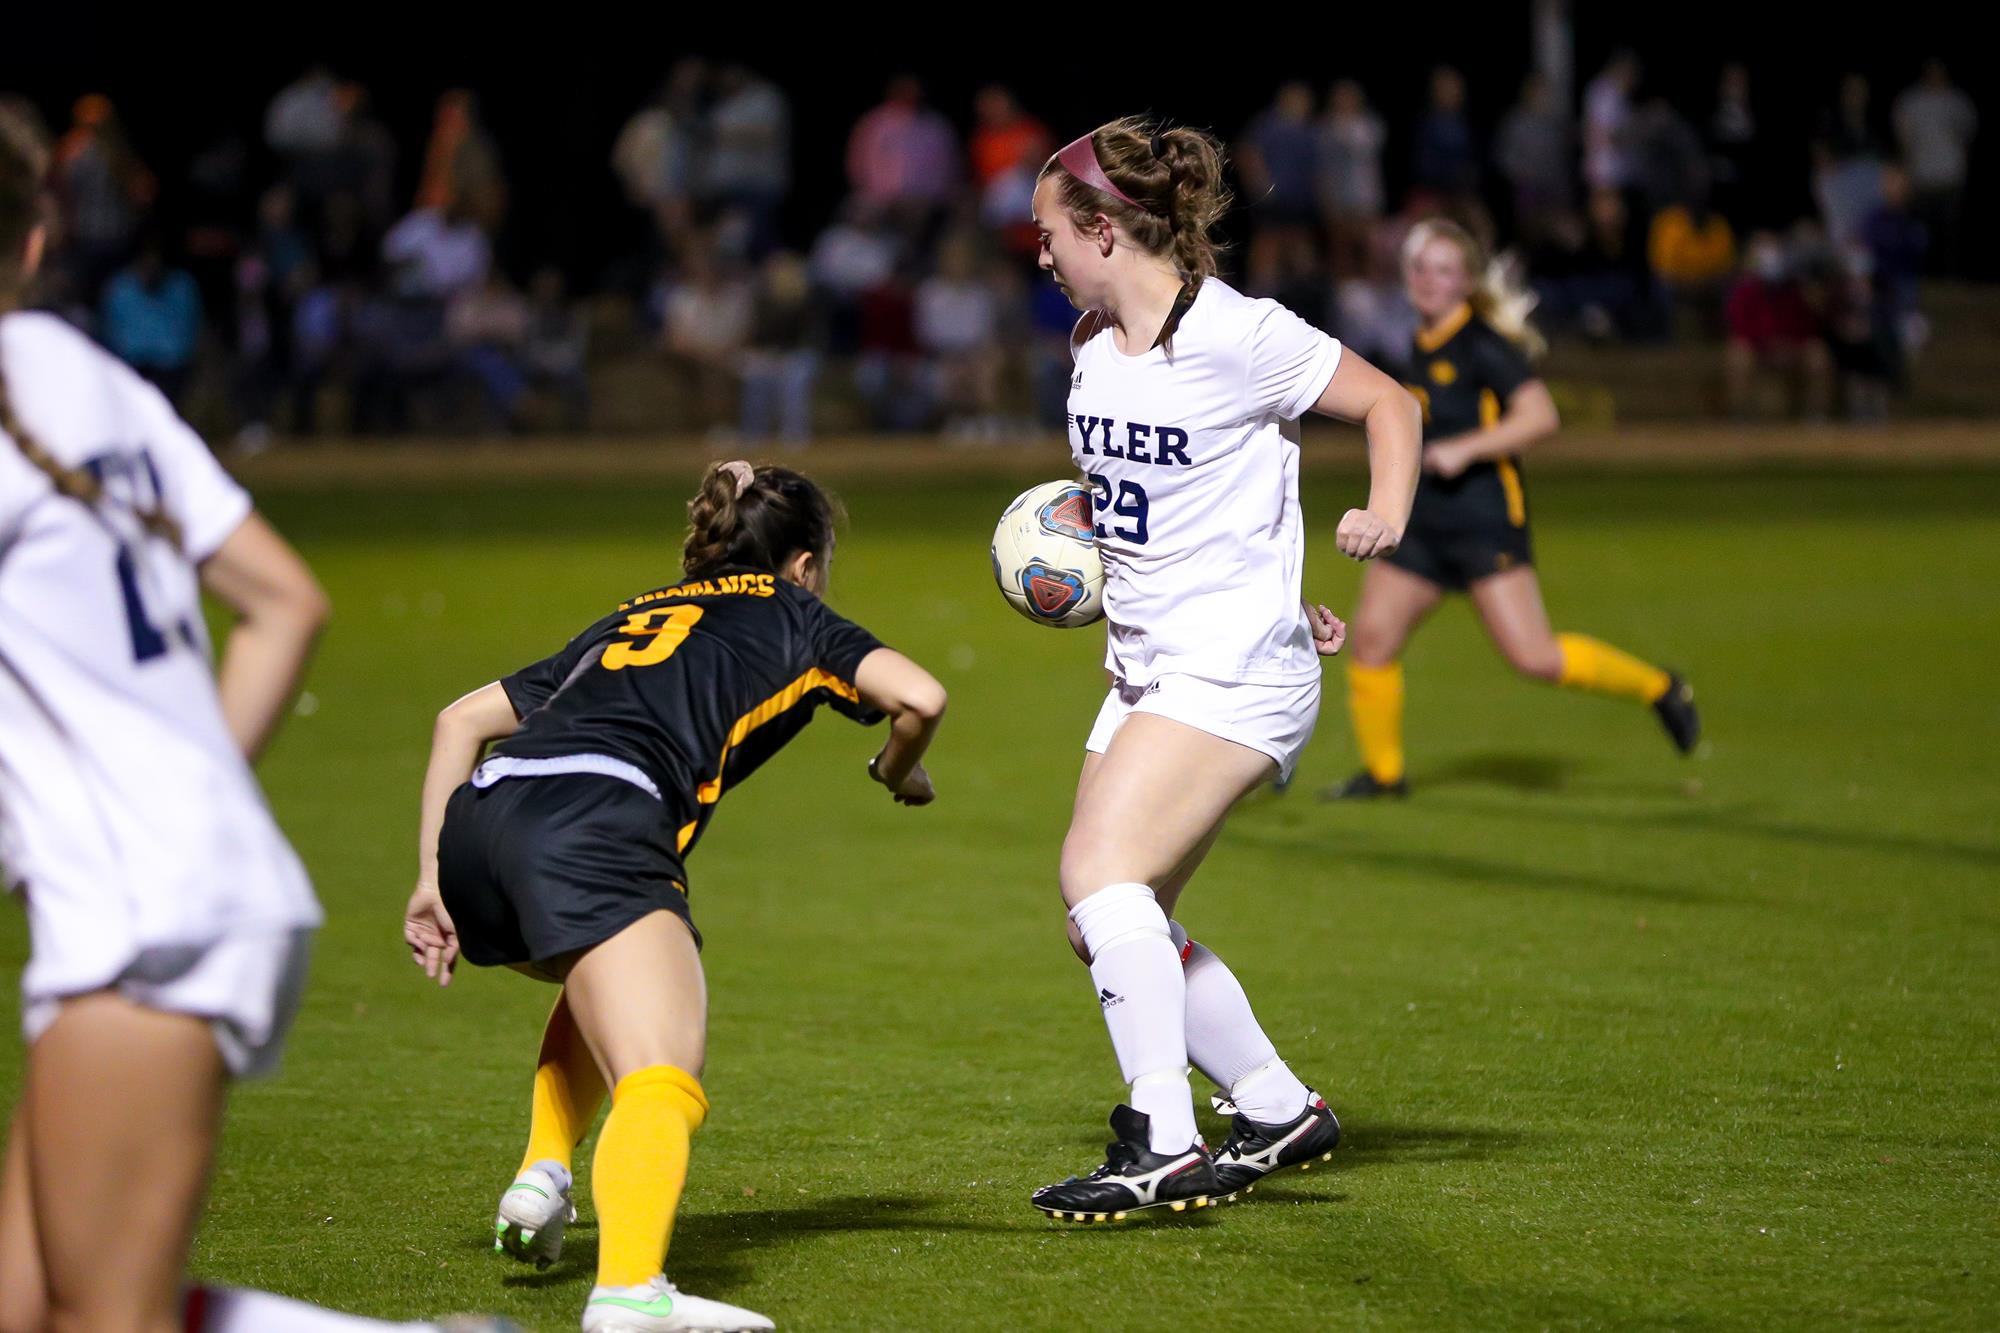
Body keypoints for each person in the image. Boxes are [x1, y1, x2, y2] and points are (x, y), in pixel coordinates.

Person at [0, 105, 509, 1333]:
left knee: (96, 1320)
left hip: (139, 924)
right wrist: (182, 797)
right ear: (32, 241)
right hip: (186, 890)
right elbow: (284, 603)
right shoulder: (73, 370)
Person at [403, 461, 946, 1331]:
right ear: (802, 565)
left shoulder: (640, 611)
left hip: (481, 826)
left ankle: (542, 1175)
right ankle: (627, 1292)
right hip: (593, 822)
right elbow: (920, 695)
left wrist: (432, 876)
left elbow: (457, 722)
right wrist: (896, 767)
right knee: (661, 1065)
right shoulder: (797, 614)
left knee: (609, 971)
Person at [1026, 116, 1421, 1220]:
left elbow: (1391, 403)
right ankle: (1273, 1100)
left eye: (1049, 232)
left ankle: (1161, 1136)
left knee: (1098, 877)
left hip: (1232, 670)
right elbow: (1173, 510)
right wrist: (1280, 578)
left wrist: (1379, 515)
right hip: (1152, 666)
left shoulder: (1240, 334)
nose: (1040, 254)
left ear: (1103, 229)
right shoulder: (1090, 353)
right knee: (1104, 916)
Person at [1324, 218, 1699, 802]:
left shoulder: (1482, 346)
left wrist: (1464, 449)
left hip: (1484, 520)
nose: (1428, 280)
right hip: (1424, 522)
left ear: (1467, 282)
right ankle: (1385, 775)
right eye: (1421, 268)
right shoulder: (1416, 341)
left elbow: (1541, 415)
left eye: (1444, 271)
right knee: (1372, 640)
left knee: (1534, 657)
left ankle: (1659, 687)